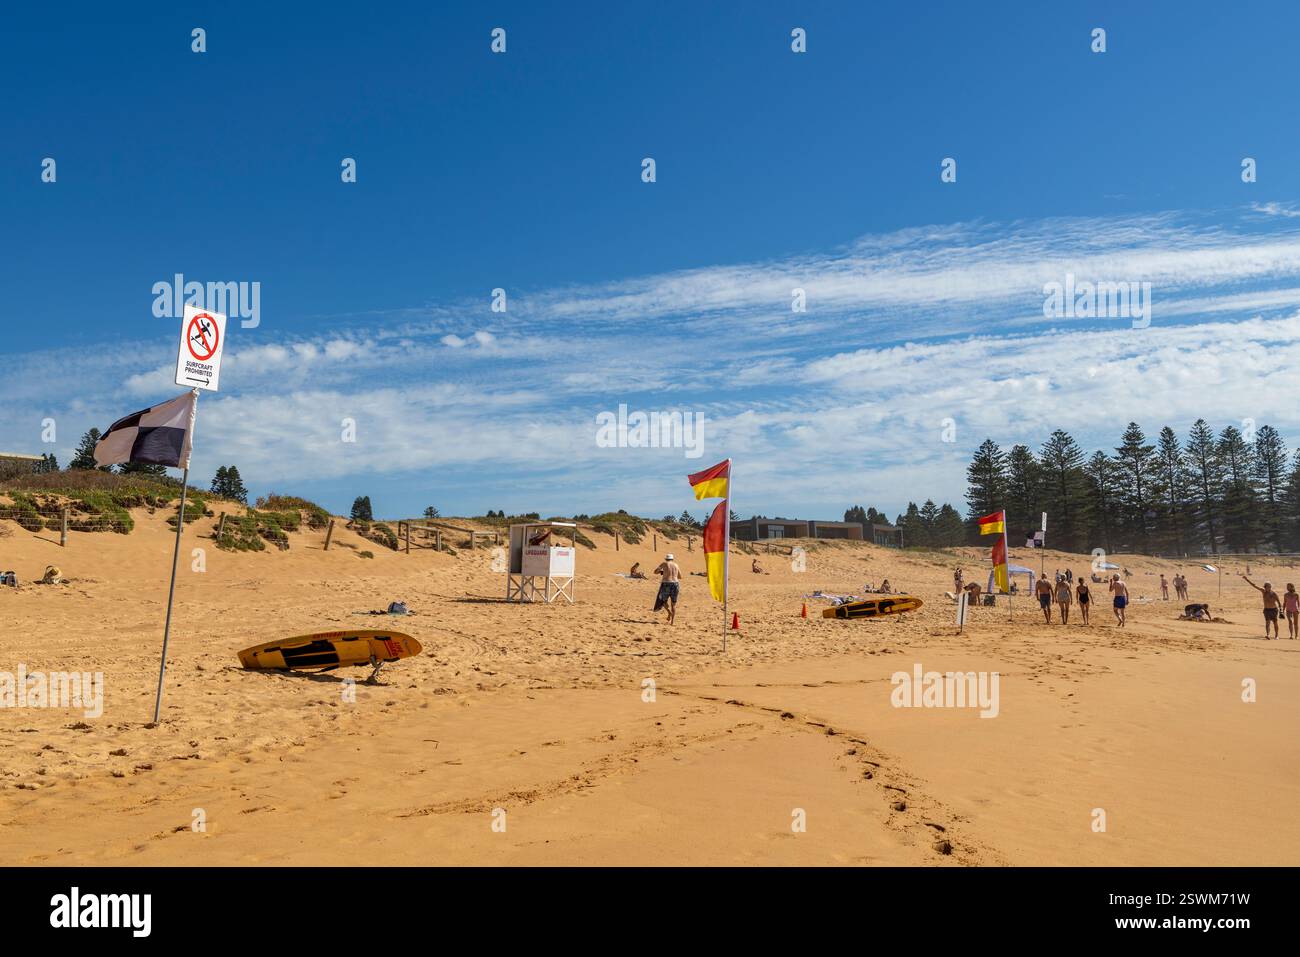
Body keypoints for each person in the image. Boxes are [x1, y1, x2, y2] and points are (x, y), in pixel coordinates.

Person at [1241, 575, 1282, 639]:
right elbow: (1254, 585)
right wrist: (1247, 579)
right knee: (1267, 622)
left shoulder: (1274, 593)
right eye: (1266, 586)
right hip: (1266, 610)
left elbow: (1279, 602)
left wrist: (1281, 611)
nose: (1267, 588)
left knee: (1275, 623)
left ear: (1270, 587)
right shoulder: (1263, 591)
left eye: (1269, 586)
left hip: (1274, 609)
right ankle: (1268, 634)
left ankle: (1276, 636)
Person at [652, 554, 681, 625]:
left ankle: (669, 612)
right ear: (672, 559)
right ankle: (672, 622)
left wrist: (662, 572)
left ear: (666, 559)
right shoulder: (676, 565)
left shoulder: (664, 564)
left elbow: (655, 572)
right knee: (673, 604)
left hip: (666, 584)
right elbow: (680, 576)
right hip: (675, 584)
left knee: (662, 601)